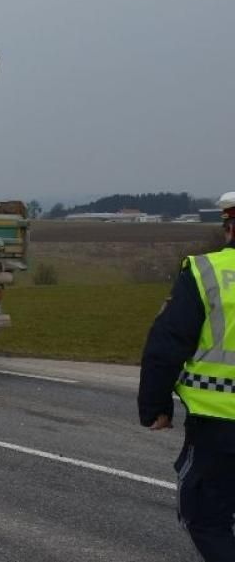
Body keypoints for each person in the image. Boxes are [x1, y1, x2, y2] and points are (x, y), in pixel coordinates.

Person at [137, 191, 235, 561]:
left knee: (207, 519)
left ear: (228, 228)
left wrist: (155, 406)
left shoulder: (205, 272)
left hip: (220, 426)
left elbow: (167, 344)